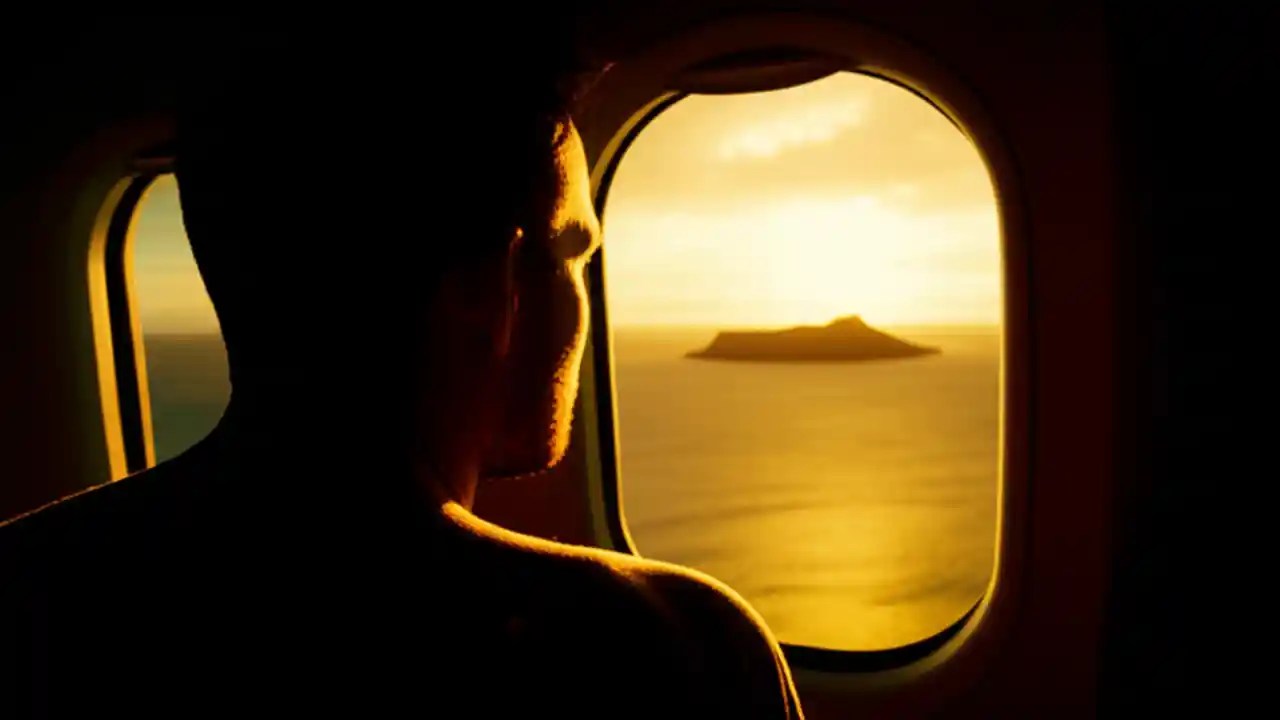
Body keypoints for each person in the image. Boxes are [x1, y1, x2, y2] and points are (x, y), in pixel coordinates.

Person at [0, 16, 803, 719]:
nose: (581, 298)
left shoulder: (30, 595)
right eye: (571, 254)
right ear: (482, 284)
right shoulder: (671, 647)